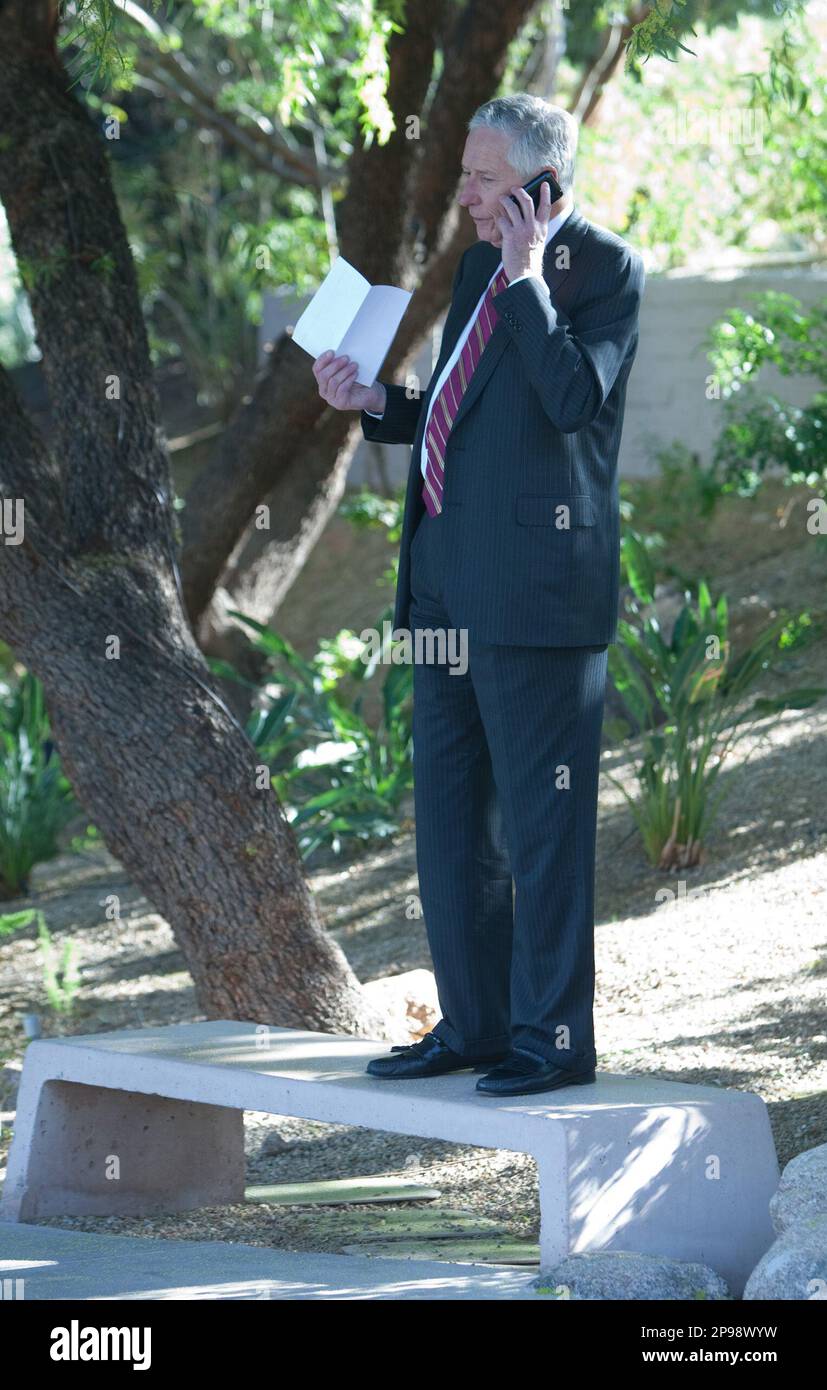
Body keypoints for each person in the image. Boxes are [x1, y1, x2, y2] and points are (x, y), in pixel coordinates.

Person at [312, 94, 645, 1096]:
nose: (462, 193)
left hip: (537, 601)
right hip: (442, 595)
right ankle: (472, 1024)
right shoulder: (468, 271)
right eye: (463, 174)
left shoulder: (602, 271)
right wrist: (376, 401)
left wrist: (527, 278)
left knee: (540, 830)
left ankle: (550, 1036)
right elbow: (461, 414)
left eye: (482, 180)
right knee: (452, 822)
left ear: (541, 188)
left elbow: (569, 398)